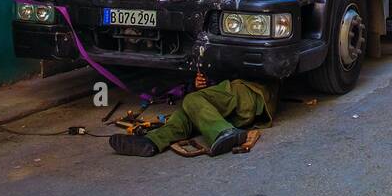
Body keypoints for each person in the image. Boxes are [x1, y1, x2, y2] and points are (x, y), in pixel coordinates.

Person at [109, 75, 279, 157]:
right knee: (186, 113)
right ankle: (152, 141)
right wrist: (200, 82)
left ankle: (225, 133)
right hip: (236, 110)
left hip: (248, 91)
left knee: (192, 100)